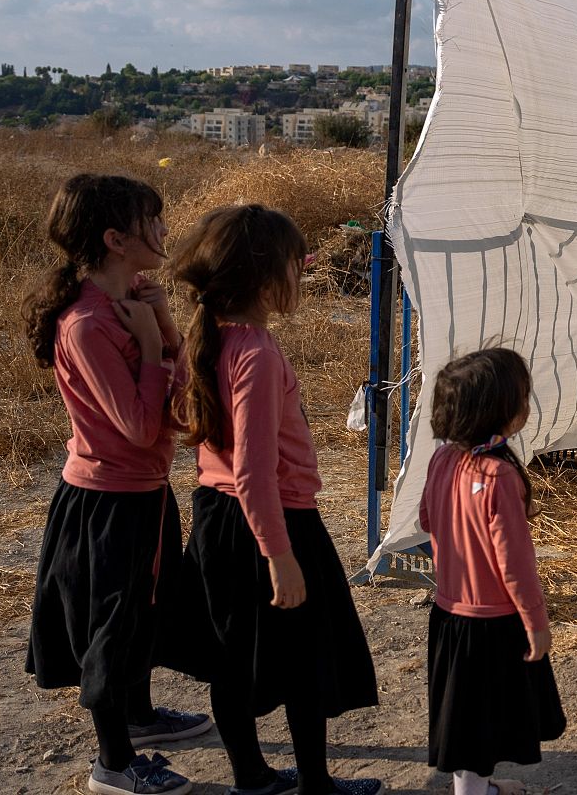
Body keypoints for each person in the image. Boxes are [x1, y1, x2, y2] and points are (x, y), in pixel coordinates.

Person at [173, 205, 381, 795]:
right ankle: (315, 785)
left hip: (217, 520)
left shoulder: (210, 339)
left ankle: (253, 778)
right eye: (295, 262)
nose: (303, 270)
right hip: (273, 522)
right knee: (304, 658)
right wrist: (280, 555)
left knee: (232, 658)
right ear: (264, 280)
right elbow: (254, 471)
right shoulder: (257, 355)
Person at [23, 175, 210, 795]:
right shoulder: (86, 324)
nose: (164, 231)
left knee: (143, 610)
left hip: (145, 491)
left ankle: (141, 714)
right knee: (109, 625)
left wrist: (164, 328)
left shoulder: (131, 302)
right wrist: (154, 345)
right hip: (107, 501)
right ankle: (113, 762)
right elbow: (138, 425)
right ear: (115, 239)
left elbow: (178, 400)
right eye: (151, 222)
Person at [420, 349, 567, 795]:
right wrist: (536, 623)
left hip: (449, 615)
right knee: (482, 722)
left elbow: (426, 520)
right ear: (500, 412)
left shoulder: (442, 460)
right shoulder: (499, 476)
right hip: (494, 624)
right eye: (522, 397)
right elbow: (516, 567)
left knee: (466, 717)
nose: (526, 404)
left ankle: (478, 786)